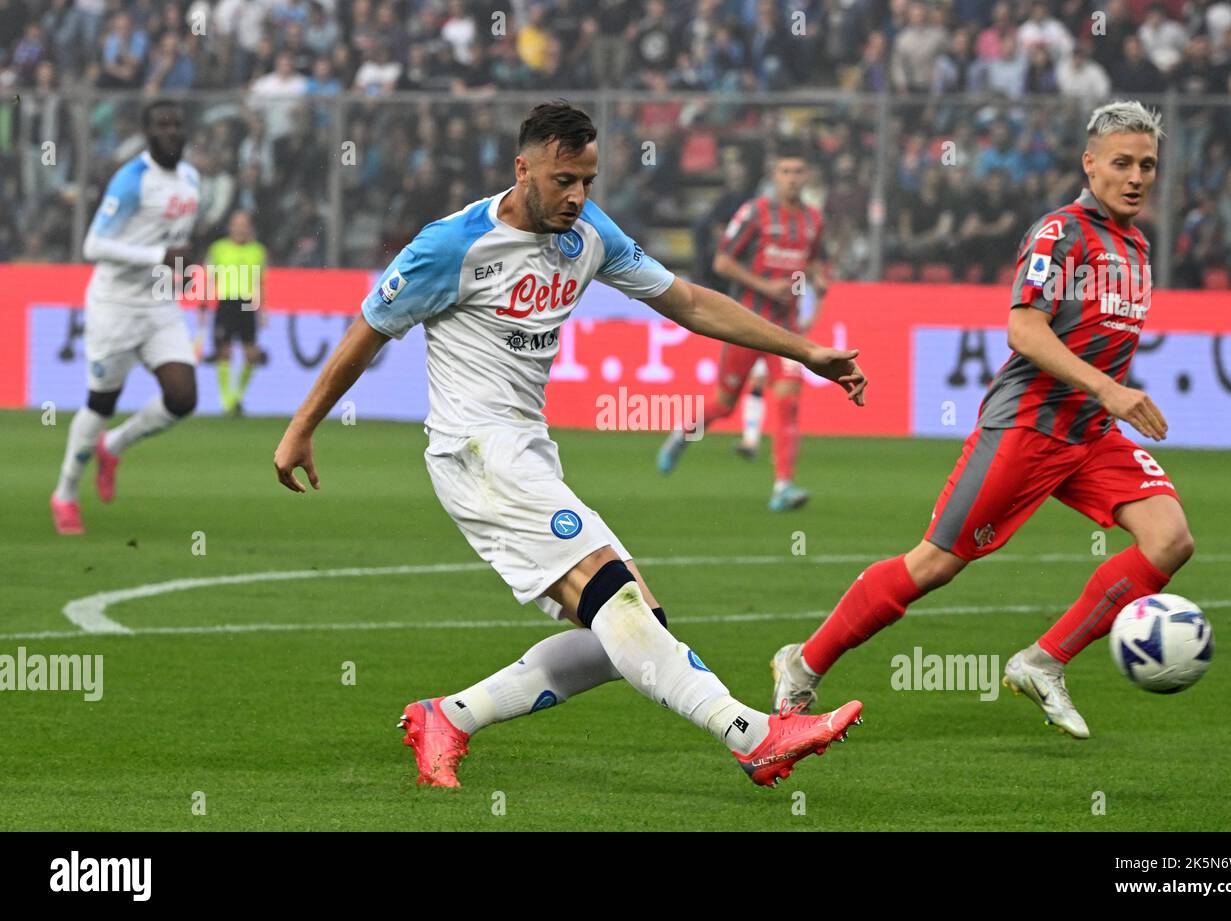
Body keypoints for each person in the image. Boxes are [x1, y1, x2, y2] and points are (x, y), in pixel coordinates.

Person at [273, 102, 867, 788]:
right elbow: (369, 327)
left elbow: (691, 302)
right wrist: (302, 426)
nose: (576, 195)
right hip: (476, 452)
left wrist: (806, 351)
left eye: (587, 178)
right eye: (562, 179)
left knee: (634, 626)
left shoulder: (588, 232)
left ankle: (451, 715)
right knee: (617, 603)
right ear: (523, 169)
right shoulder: (451, 244)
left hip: (526, 449)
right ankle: (753, 734)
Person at [771, 100, 1194, 740]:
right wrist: (1109, 389)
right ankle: (804, 662)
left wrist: (1102, 400)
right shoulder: (1062, 233)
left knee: (1169, 539)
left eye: (1148, 165)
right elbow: (1024, 329)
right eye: (1122, 163)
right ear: (1090, 165)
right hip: (1027, 425)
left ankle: (1042, 661)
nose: (1136, 176)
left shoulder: (1135, 245)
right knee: (934, 565)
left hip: (1088, 434)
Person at [656, 141, 830, 511]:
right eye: (786, 172)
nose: (793, 179)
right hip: (746, 323)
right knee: (724, 403)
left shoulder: (814, 220)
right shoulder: (755, 214)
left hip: (785, 330)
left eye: (799, 172)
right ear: (774, 176)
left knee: (788, 402)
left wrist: (818, 281)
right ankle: (684, 434)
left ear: (808, 176)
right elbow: (722, 262)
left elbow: (812, 261)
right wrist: (766, 286)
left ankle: (783, 485)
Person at [52, 100, 199, 534]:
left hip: (158, 303)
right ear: (147, 133)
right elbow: (93, 247)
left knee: (183, 398)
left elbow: (177, 242)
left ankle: (113, 445)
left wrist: (180, 271)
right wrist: (159, 256)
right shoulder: (131, 180)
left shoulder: (192, 180)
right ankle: (64, 493)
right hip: (114, 306)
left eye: (177, 124)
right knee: (102, 402)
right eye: (162, 125)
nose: (171, 131)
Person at [206, 210, 268, 415]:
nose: (240, 228)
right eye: (237, 223)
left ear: (249, 227)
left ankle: (238, 396)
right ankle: (227, 401)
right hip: (225, 302)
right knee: (224, 351)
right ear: (230, 226)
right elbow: (209, 277)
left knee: (251, 353)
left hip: (247, 302)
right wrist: (205, 301)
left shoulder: (258, 251)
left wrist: (263, 310)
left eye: (244, 224)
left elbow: (260, 282)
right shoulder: (218, 248)